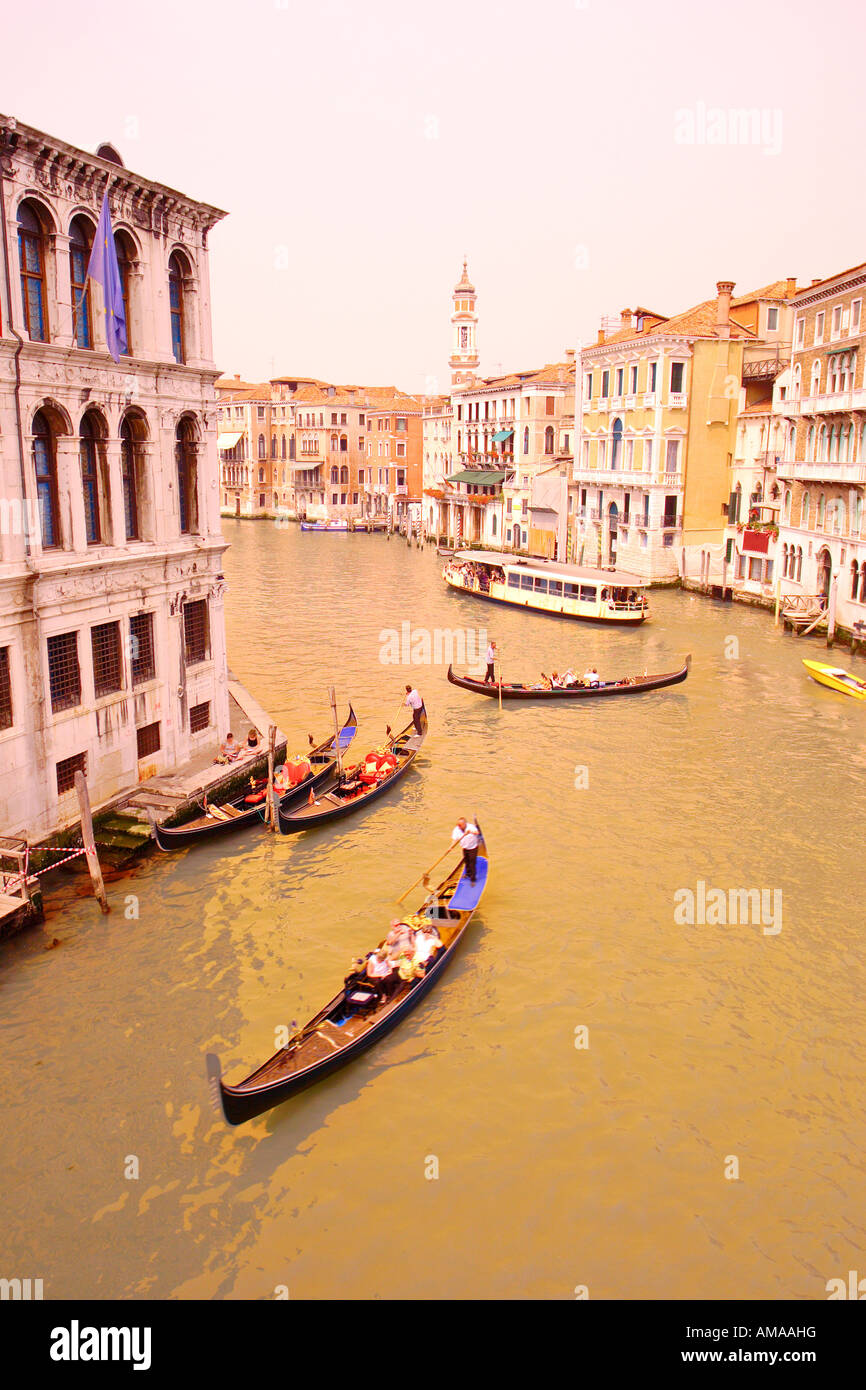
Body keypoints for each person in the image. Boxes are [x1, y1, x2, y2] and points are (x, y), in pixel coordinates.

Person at [451, 816, 481, 884]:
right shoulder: (456, 830)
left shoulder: (471, 827)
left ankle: (473, 879)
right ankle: (468, 873)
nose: (459, 826)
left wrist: (470, 832)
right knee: (466, 861)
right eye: (458, 825)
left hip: (473, 848)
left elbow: (477, 833)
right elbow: (454, 840)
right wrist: (451, 847)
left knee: (472, 863)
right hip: (465, 848)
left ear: (465, 824)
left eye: (460, 825)